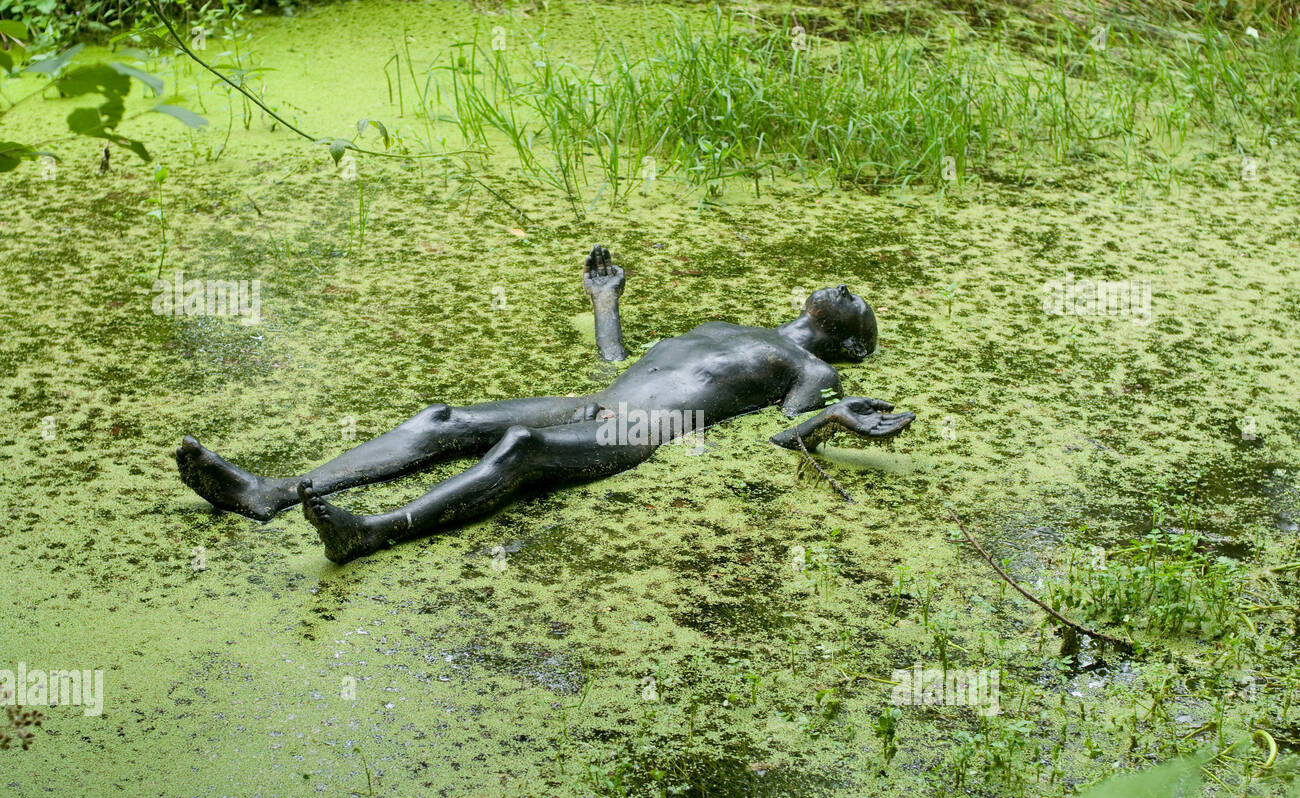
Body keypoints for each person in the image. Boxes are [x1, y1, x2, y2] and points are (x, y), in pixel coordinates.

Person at [176, 245, 915, 562]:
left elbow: (783, 439)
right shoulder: (730, 327)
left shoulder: (813, 368)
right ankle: (273, 492)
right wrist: (605, 300)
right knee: (445, 419)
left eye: (859, 309)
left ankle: (372, 532)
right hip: (597, 398)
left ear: (847, 348)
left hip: (643, 429)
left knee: (520, 453)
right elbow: (620, 362)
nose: (848, 292)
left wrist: (832, 418)